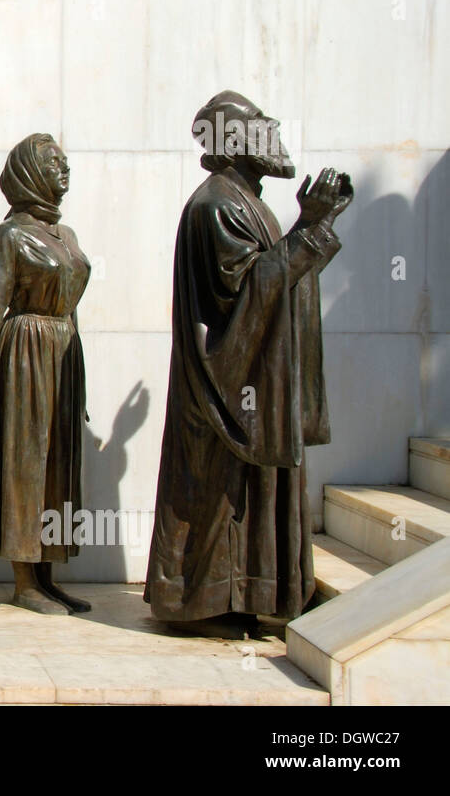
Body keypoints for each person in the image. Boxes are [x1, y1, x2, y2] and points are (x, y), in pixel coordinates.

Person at [145, 91, 351, 628]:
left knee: (248, 497)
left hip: (257, 386)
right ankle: (215, 598)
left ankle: (257, 594)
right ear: (235, 142)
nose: (277, 134)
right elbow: (243, 302)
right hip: (228, 395)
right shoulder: (217, 205)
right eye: (264, 127)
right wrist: (308, 230)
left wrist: (311, 230)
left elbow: (275, 285)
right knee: (223, 499)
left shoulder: (245, 200)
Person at [0, 134, 92, 615]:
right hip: (24, 354)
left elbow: (73, 308)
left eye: (65, 160)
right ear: (29, 172)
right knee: (24, 464)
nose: (64, 168)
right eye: (54, 162)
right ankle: (24, 582)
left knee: (57, 465)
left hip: (63, 352)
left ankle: (49, 575)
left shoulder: (67, 236)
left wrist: (81, 380)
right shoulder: (10, 236)